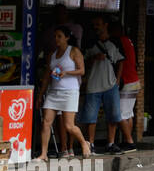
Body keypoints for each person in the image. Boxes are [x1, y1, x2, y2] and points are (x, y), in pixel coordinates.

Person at [35, 25, 91, 162]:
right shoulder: (52, 55)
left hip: (70, 92)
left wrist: (66, 73)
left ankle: (84, 143)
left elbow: (82, 70)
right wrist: (40, 95)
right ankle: (43, 154)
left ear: (67, 37)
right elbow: (48, 76)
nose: (56, 39)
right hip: (54, 92)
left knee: (68, 126)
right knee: (46, 122)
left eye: (59, 36)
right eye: (55, 36)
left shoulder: (74, 51)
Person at [79, 15, 124, 152]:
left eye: (98, 24)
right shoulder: (90, 42)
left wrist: (117, 79)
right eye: (94, 25)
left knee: (113, 115)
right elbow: (82, 62)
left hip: (111, 85)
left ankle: (110, 143)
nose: (96, 27)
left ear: (105, 25)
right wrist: (93, 58)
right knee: (90, 117)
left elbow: (121, 60)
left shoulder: (115, 42)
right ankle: (90, 144)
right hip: (93, 85)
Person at [107, 20, 139, 153]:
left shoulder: (118, 42)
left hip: (126, 82)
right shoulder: (129, 41)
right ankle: (127, 141)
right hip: (134, 81)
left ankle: (130, 142)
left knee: (119, 114)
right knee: (128, 114)